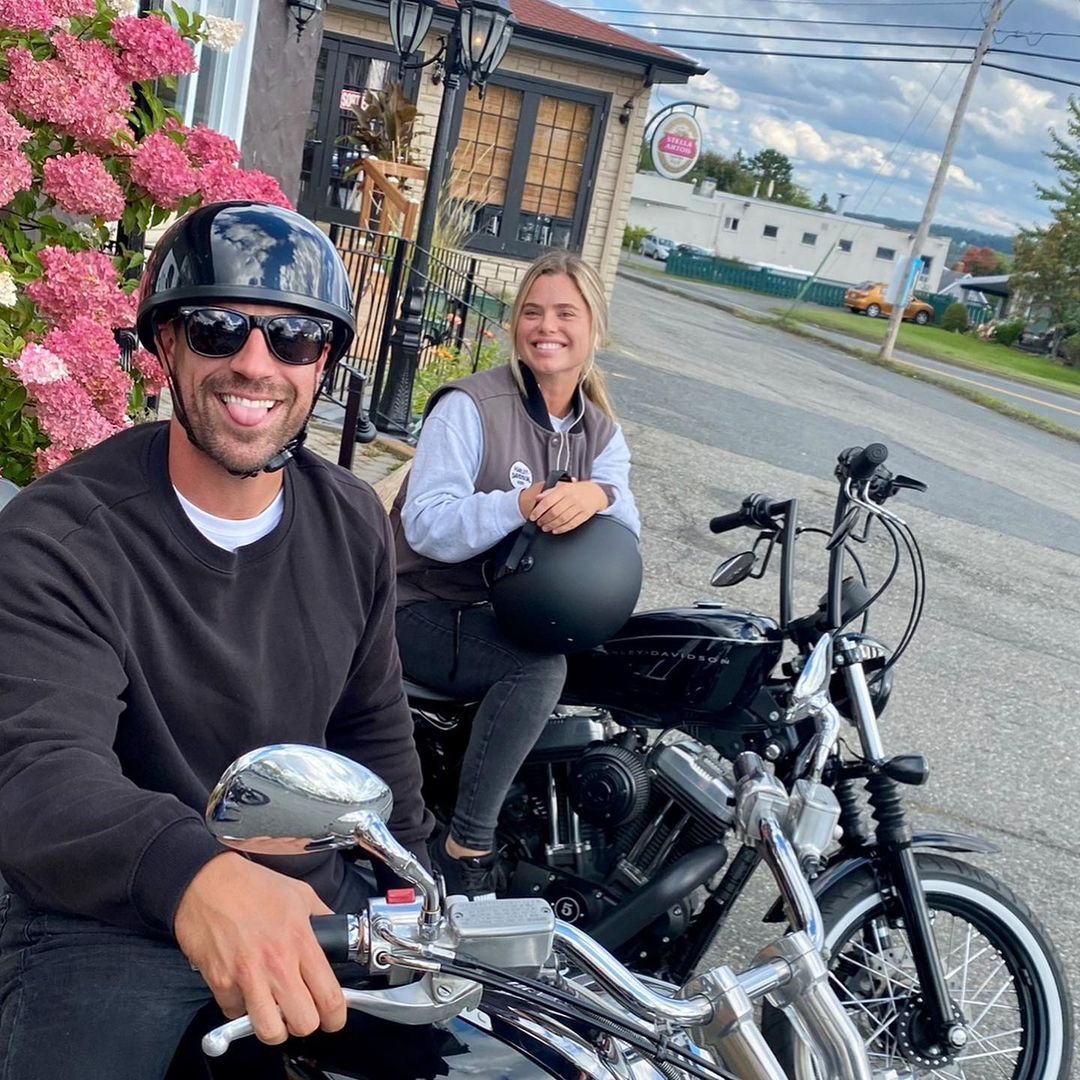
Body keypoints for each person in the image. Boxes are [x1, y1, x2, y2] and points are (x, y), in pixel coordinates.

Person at [0, 201, 432, 1078]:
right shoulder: (61, 540)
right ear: (166, 344)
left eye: (294, 338)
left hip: (313, 902)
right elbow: (37, 766)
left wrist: (415, 880)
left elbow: (372, 729)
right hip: (110, 915)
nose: (255, 363)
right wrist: (198, 875)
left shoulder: (352, 521)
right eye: (217, 328)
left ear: (324, 363)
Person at [391, 250, 640, 899]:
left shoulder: (600, 433)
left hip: (500, 613)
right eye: (532, 312)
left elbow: (626, 526)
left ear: (594, 328)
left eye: (565, 313)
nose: (546, 326)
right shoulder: (471, 406)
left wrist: (601, 495)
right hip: (416, 603)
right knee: (538, 670)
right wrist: (519, 503)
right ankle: (466, 846)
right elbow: (426, 526)